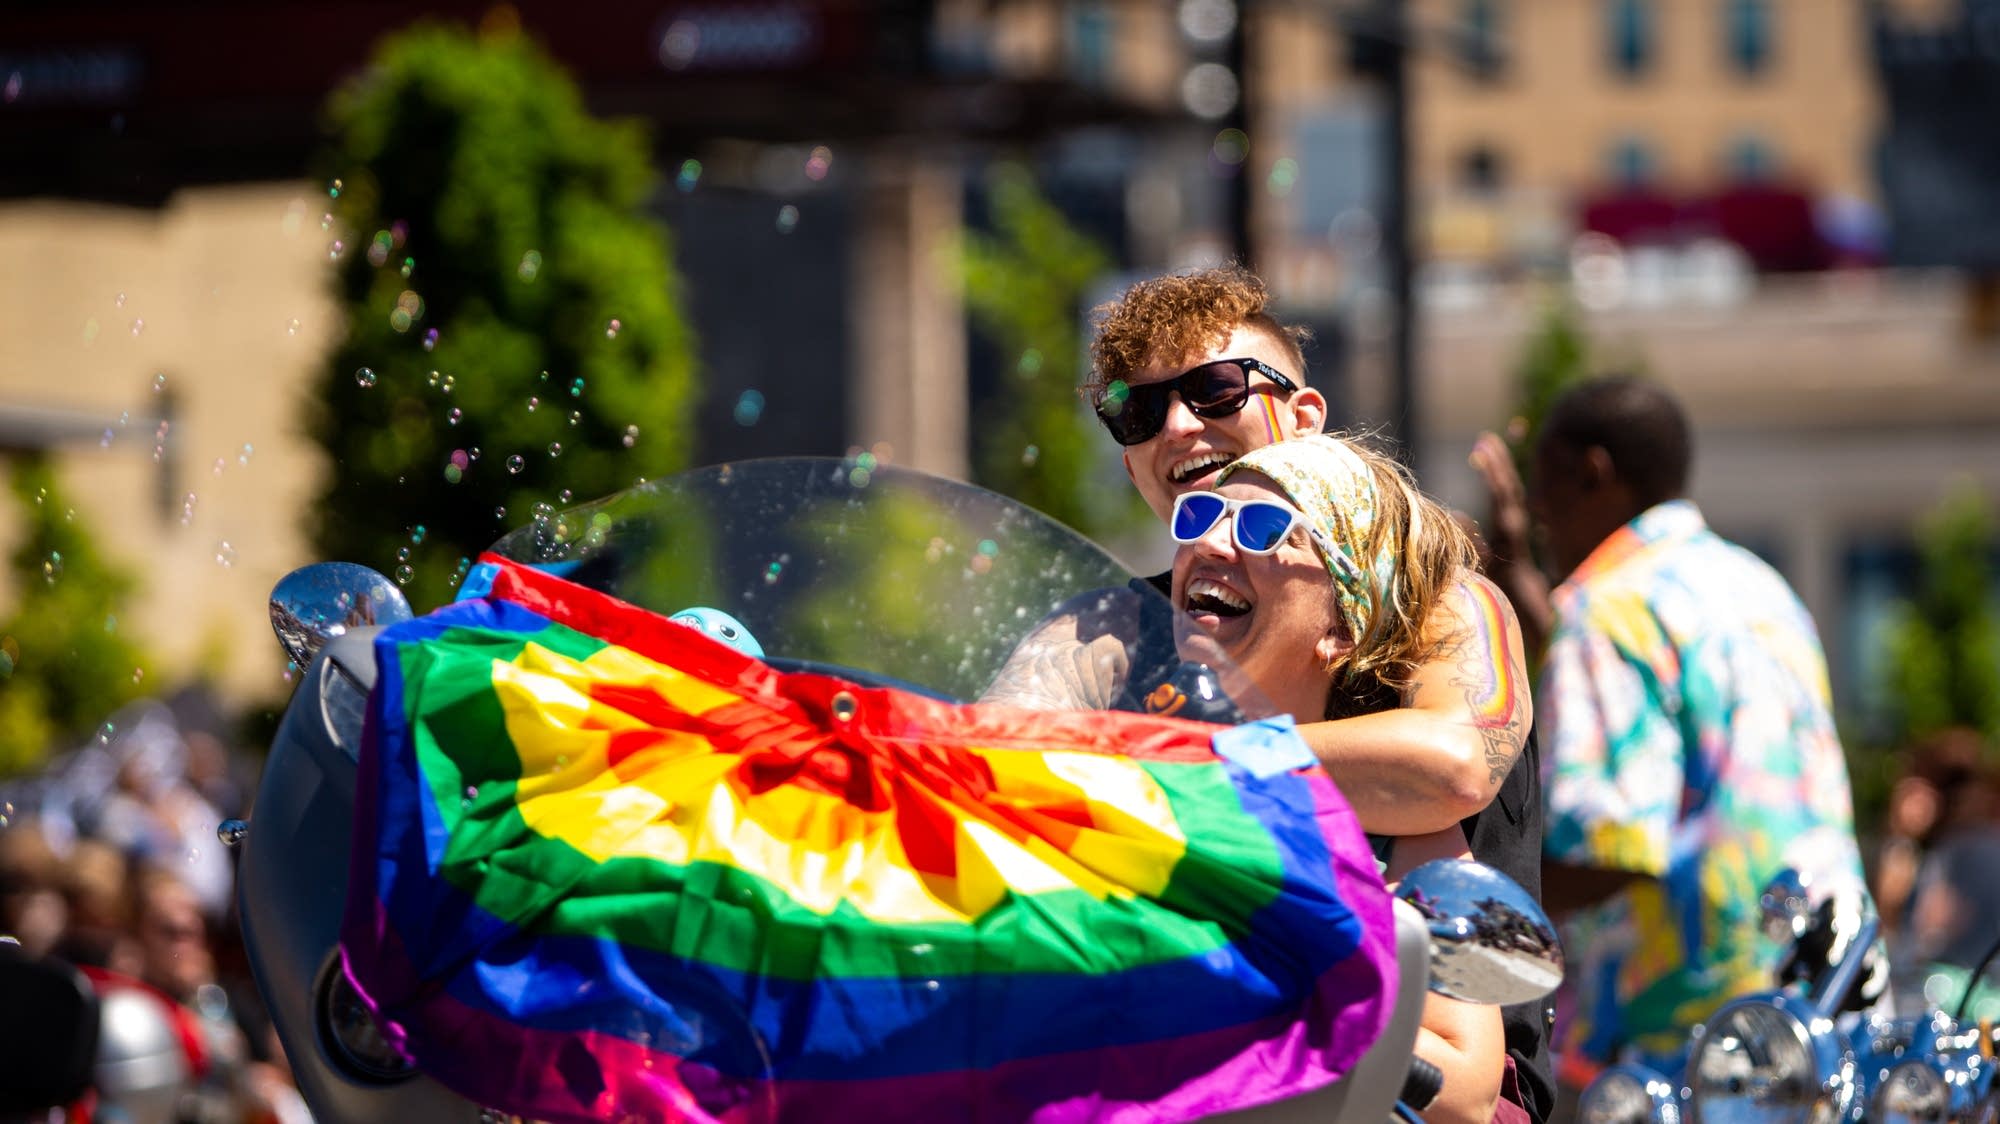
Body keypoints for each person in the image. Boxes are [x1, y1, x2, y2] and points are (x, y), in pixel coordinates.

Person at [984, 264, 1549, 1120]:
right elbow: (984, 775)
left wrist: (1168, 772)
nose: (1179, 425)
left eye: (1214, 389)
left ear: (1305, 416)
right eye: (1140, 411)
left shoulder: (1425, 596)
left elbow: (1450, 768)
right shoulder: (1107, 630)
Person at [1496, 375, 1867, 1092]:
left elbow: (1609, 847)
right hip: (1820, 1010)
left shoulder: (1606, 609)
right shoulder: (1760, 586)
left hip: (1688, 1048)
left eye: (1544, 482)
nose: (1536, 507)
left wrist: (1465, 890)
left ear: (1593, 473)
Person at [1171, 433, 1512, 1124]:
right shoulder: (1122, 762)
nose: (1210, 543)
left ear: (1342, 628)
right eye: (1200, 515)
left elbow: (1469, 1091)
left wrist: (1267, 978)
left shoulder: (1400, 825)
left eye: (1263, 528)